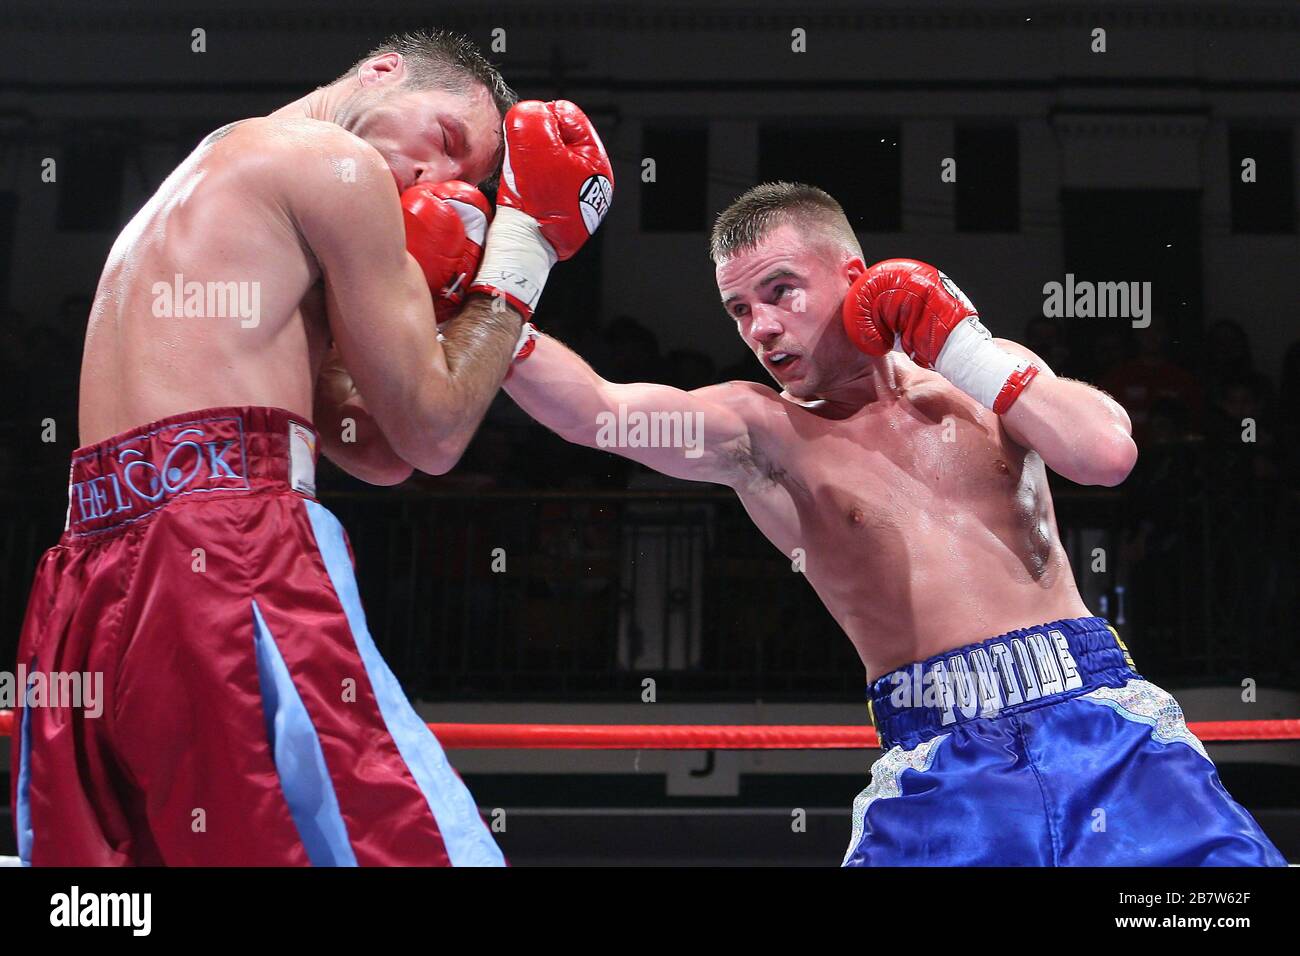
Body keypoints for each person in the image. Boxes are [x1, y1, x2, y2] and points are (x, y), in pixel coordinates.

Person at [502, 181, 1285, 866]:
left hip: (1104, 723)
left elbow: (1106, 455)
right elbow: (596, 416)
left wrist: (962, 344)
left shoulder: (979, 376)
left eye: (781, 291)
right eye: (739, 309)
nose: (760, 327)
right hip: (944, 761)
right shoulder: (759, 432)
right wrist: (497, 285)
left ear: (855, 278)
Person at [11, 28, 613, 865]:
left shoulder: (200, 183)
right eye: (443, 141)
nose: (438, 183)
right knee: (408, 846)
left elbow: (378, 452)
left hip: (83, 581)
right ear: (382, 70)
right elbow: (436, 437)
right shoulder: (340, 167)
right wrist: (524, 250)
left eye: (467, 181)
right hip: (229, 552)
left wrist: (414, 327)